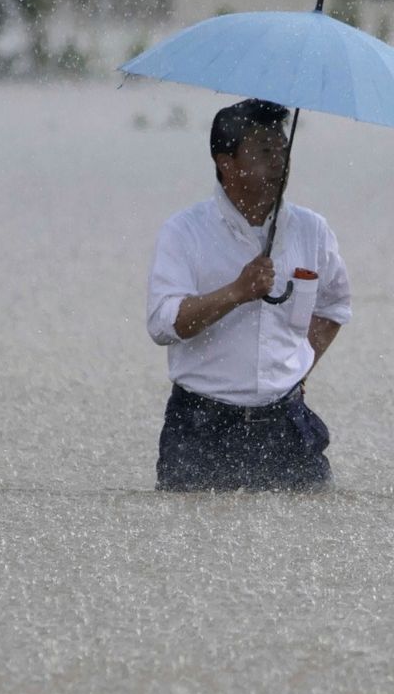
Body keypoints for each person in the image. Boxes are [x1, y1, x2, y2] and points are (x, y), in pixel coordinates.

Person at [146, 98, 352, 491]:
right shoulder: (184, 232)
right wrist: (236, 293)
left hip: (286, 425)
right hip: (201, 427)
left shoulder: (312, 230)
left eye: (282, 148)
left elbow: (334, 306)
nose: (279, 161)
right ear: (226, 162)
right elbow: (162, 323)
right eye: (263, 151)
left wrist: (299, 368)